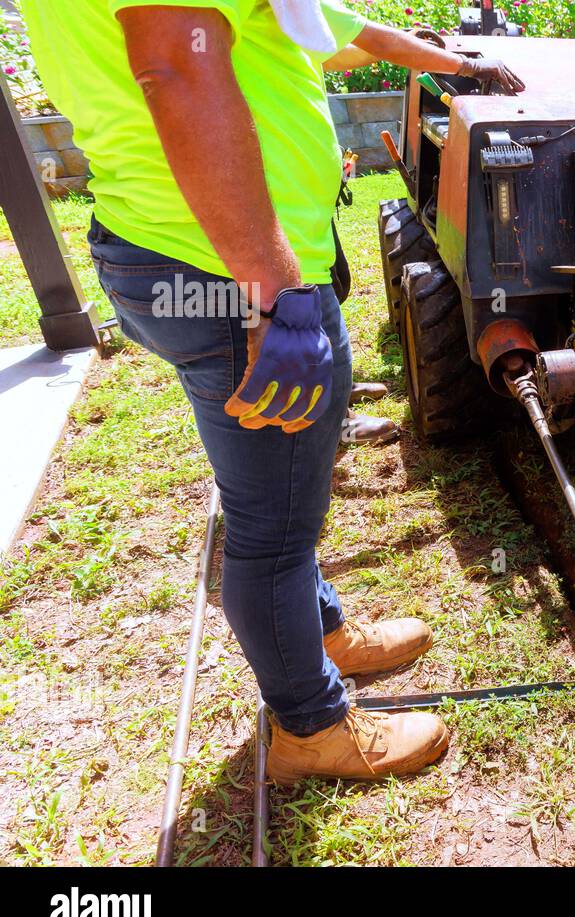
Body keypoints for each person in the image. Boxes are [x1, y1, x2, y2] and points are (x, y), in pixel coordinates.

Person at [23, 1, 523, 784]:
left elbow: (326, 32)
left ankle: (319, 630)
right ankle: (311, 726)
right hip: (224, 271)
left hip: (183, 250)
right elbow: (178, 68)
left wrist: (450, 62)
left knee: (283, 490)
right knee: (272, 529)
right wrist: (274, 295)